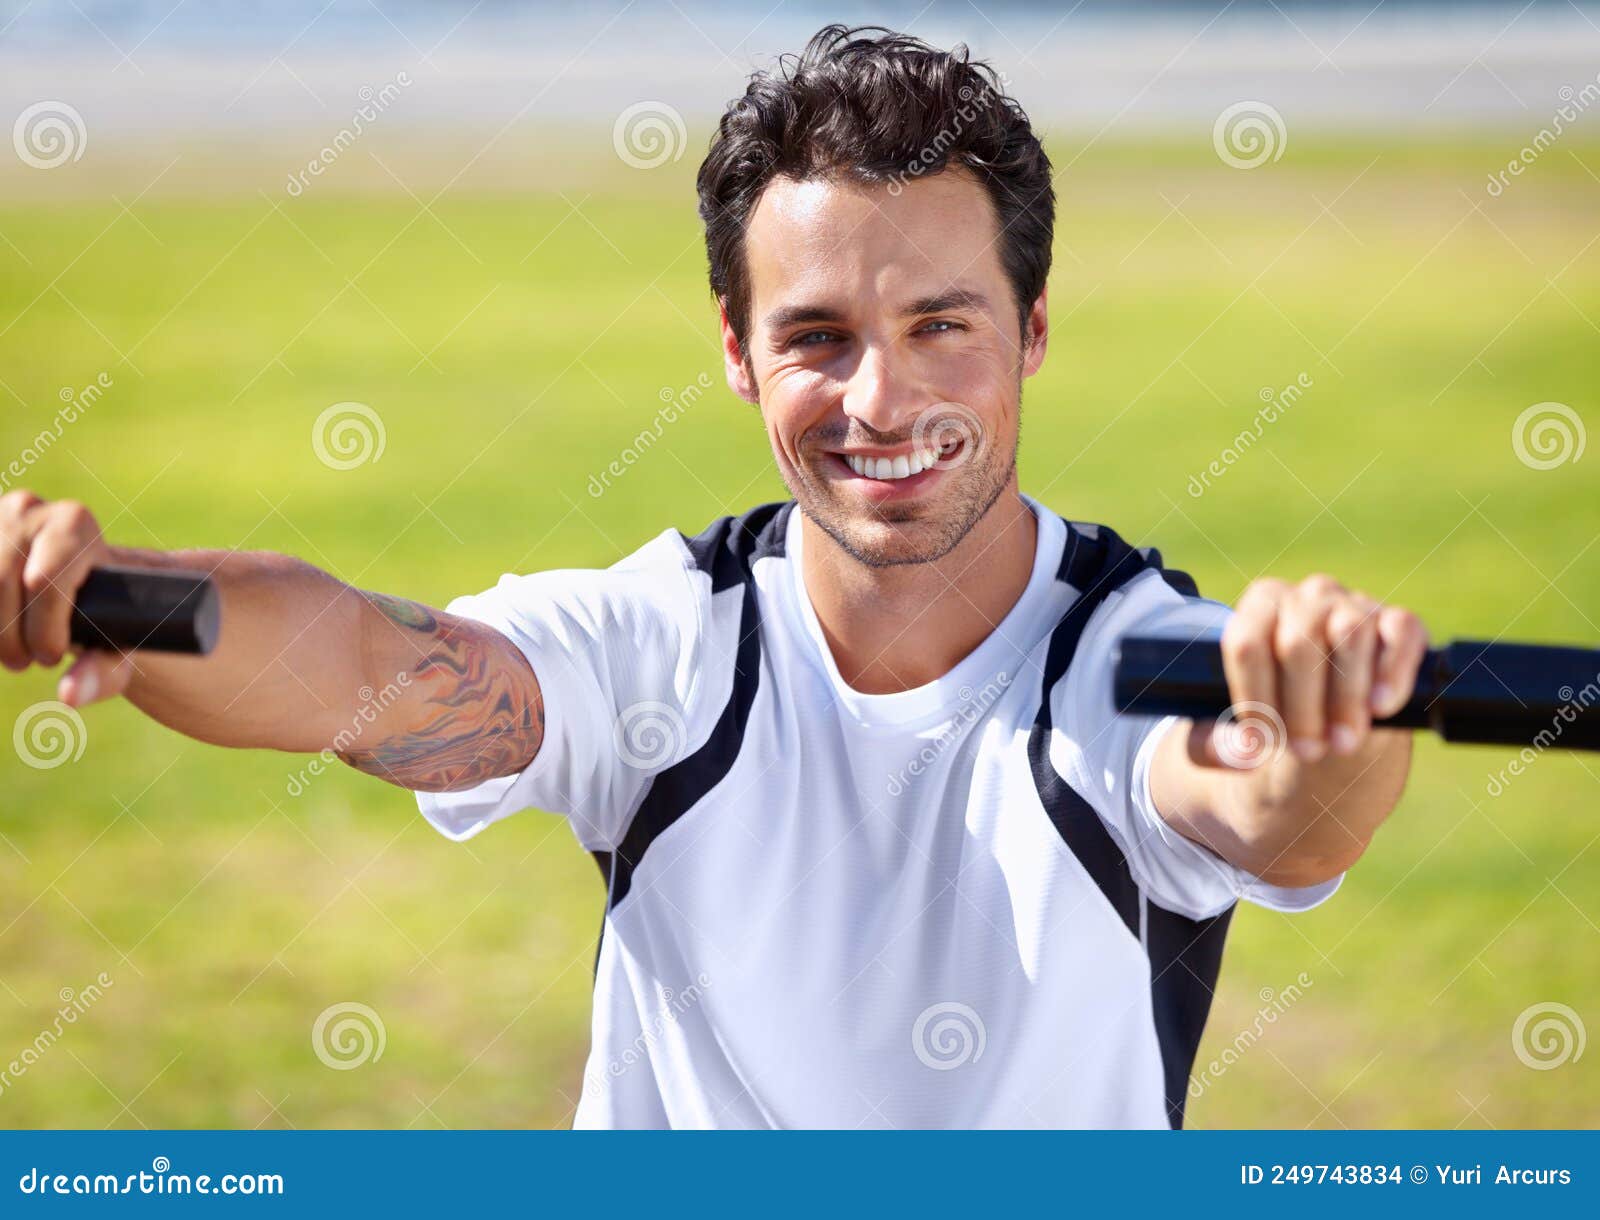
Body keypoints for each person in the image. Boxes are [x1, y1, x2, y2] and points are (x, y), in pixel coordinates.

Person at [0, 26, 1426, 1129]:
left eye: (944, 325)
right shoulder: (667, 645)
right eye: (816, 336)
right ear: (736, 350)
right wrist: (118, 590)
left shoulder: (1132, 658)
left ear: (1034, 328)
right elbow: (368, 672)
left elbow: (1287, 819)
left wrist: (1334, 719)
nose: (882, 399)